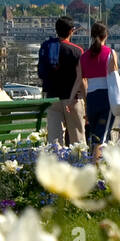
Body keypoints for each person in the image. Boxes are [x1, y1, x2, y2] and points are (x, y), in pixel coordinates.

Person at [70, 22, 120, 154]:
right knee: (101, 138)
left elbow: (79, 79)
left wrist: (71, 99)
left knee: (95, 136)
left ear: (91, 36)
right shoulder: (110, 53)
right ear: (106, 36)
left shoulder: (84, 57)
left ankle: (98, 163)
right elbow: (114, 75)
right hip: (106, 98)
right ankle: (95, 167)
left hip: (91, 98)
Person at [38, 16, 85, 146]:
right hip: (72, 98)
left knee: (55, 141)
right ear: (71, 31)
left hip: (52, 98)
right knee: (78, 139)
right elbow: (82, 79)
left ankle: (55, 164)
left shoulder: (46, 47)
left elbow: (41, 73)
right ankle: (79, 163)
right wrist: (86, 101)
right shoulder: (77, 51)